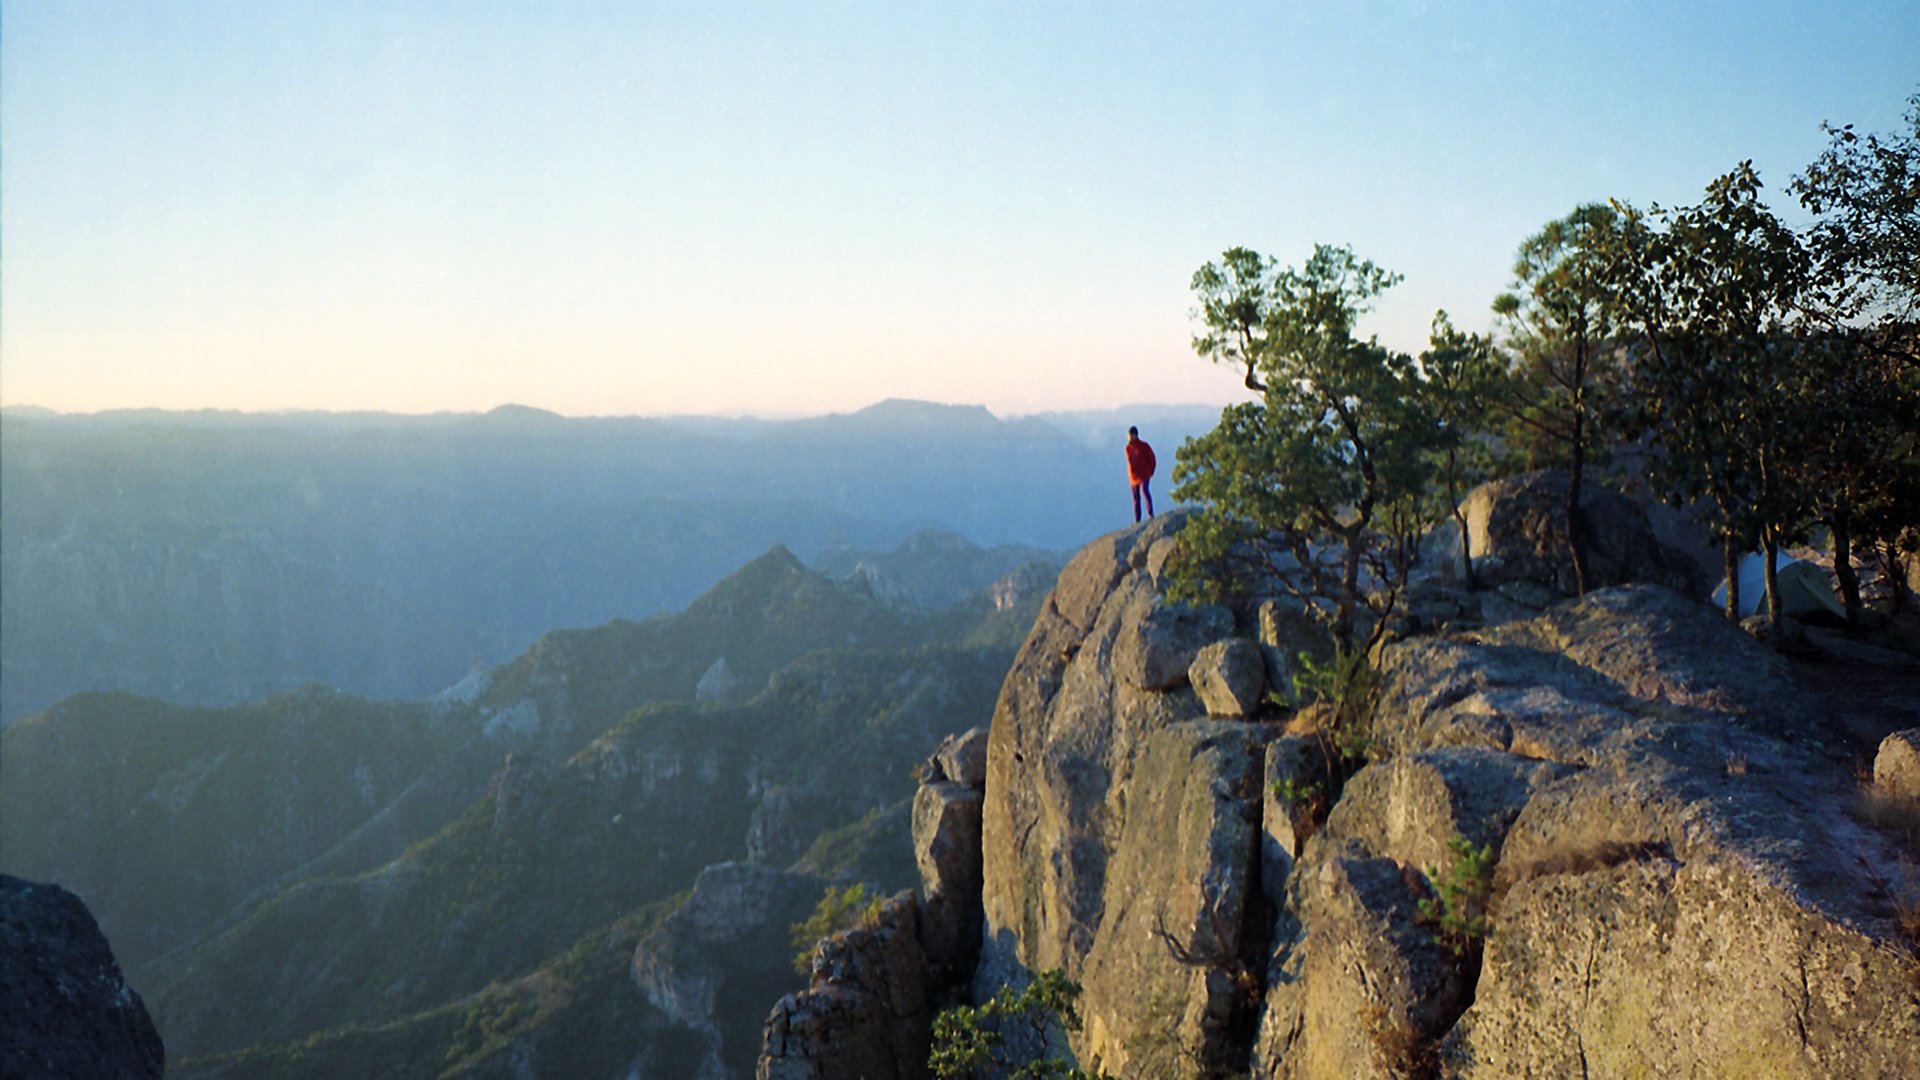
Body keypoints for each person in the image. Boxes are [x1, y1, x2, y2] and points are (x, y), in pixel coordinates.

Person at [1125, 426, 1156, 522]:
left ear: (1135, 435)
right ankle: (1137, 519)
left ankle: (1150, 513)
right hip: (1133, 477)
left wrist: (1150, 472)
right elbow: (1130, 462)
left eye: (1130, 435)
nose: (1129, 437)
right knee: (1136, 498)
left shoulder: (1144, 446)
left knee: (1144, 491)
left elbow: (1152, 459)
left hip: (1144, 475)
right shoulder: (1128, 448)